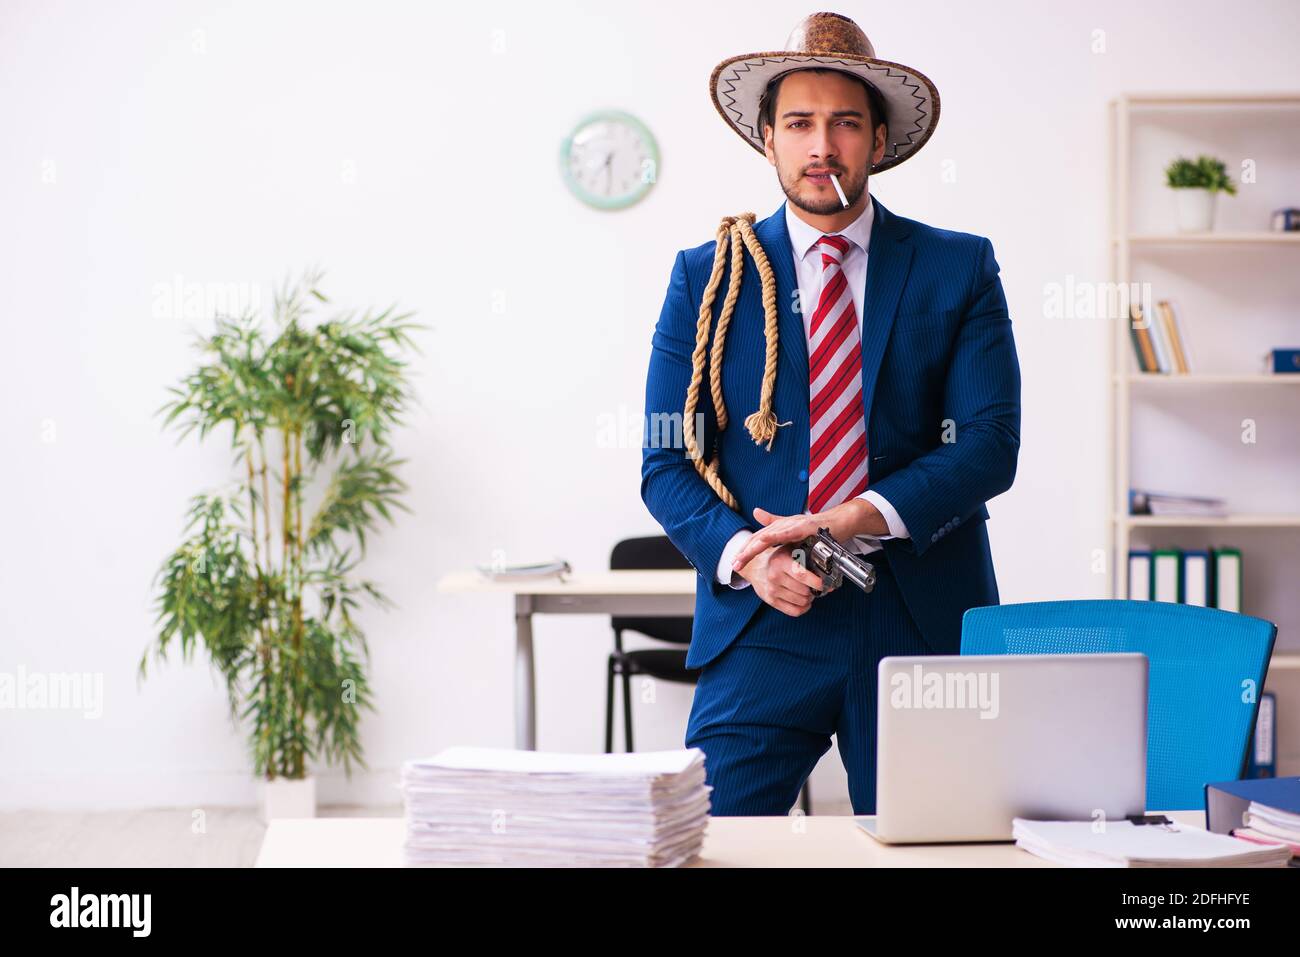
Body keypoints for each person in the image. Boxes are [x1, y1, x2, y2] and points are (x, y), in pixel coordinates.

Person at [640, 12, 1021, 815]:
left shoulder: (959, 267)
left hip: (919, 618)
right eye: (800, 124)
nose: (822, 147)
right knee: (713, 839)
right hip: (767, 615)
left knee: (940, 848)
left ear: (878, 142)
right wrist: (748, 555)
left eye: (845, 123)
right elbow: (666, 461)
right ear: (768, 141)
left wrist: (851, 517)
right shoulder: (706, 278)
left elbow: (989, 445)